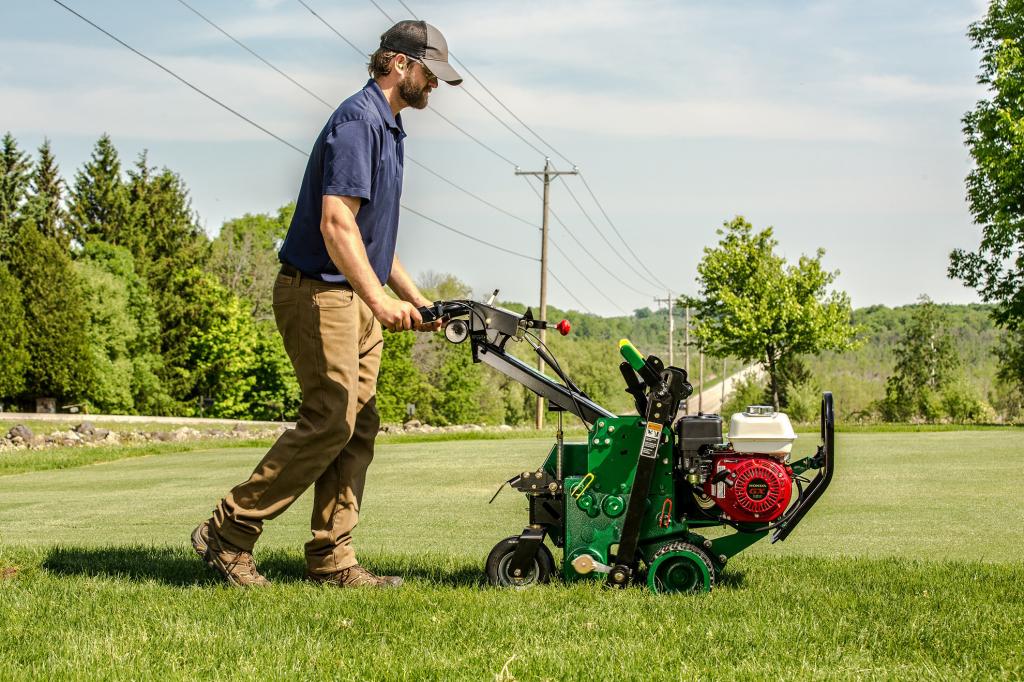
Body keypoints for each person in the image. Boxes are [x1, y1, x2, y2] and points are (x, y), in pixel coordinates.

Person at [191, 20, 463, 588]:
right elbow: (337, 225)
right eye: (430, 73)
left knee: (358, 424)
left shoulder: (389, 129)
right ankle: (228, 531)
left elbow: (369, 239)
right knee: (330, 419)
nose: (434, 86)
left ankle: (332, 559)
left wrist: (416, 299)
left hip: (352, 297)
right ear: (398, 63)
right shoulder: (359, 122)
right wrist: (380, 301)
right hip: (319, 292)